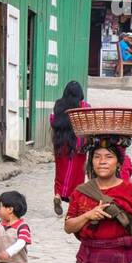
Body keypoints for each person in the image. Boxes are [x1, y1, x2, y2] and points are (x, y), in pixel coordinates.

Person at [50, 80, 88, 215]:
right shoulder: (84, 106)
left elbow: (53, 120)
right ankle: (74, 200)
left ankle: (58, 195)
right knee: (76, 174)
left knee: (60, 173)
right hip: (77, 145)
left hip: (60, 144)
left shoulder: (58, 105)